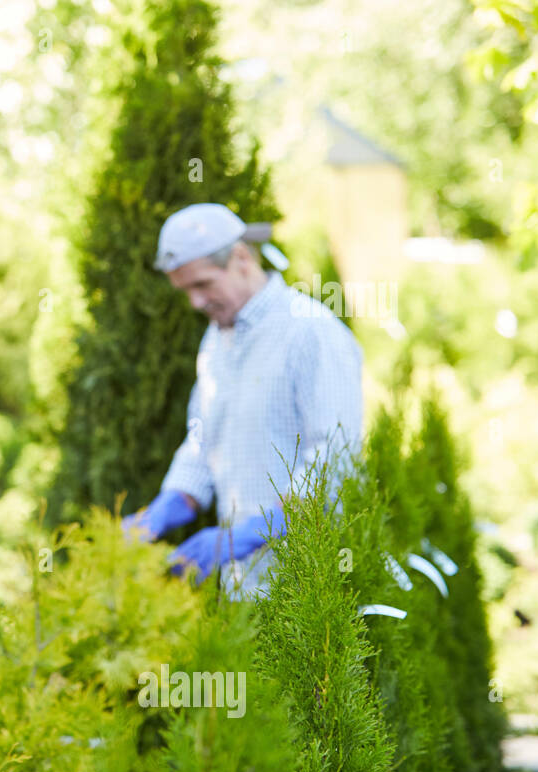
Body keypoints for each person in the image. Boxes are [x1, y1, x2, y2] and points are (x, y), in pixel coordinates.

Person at [124, 203, 363, 599]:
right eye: (185, 291)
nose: (195, 303)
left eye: (202, 285)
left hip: (310, 596)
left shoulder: (311, 332)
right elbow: (204, 440)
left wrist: (260, 528)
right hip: (242, 590)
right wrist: (169, 504)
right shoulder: (217, 341)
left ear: (240, 259)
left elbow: (336, 456)